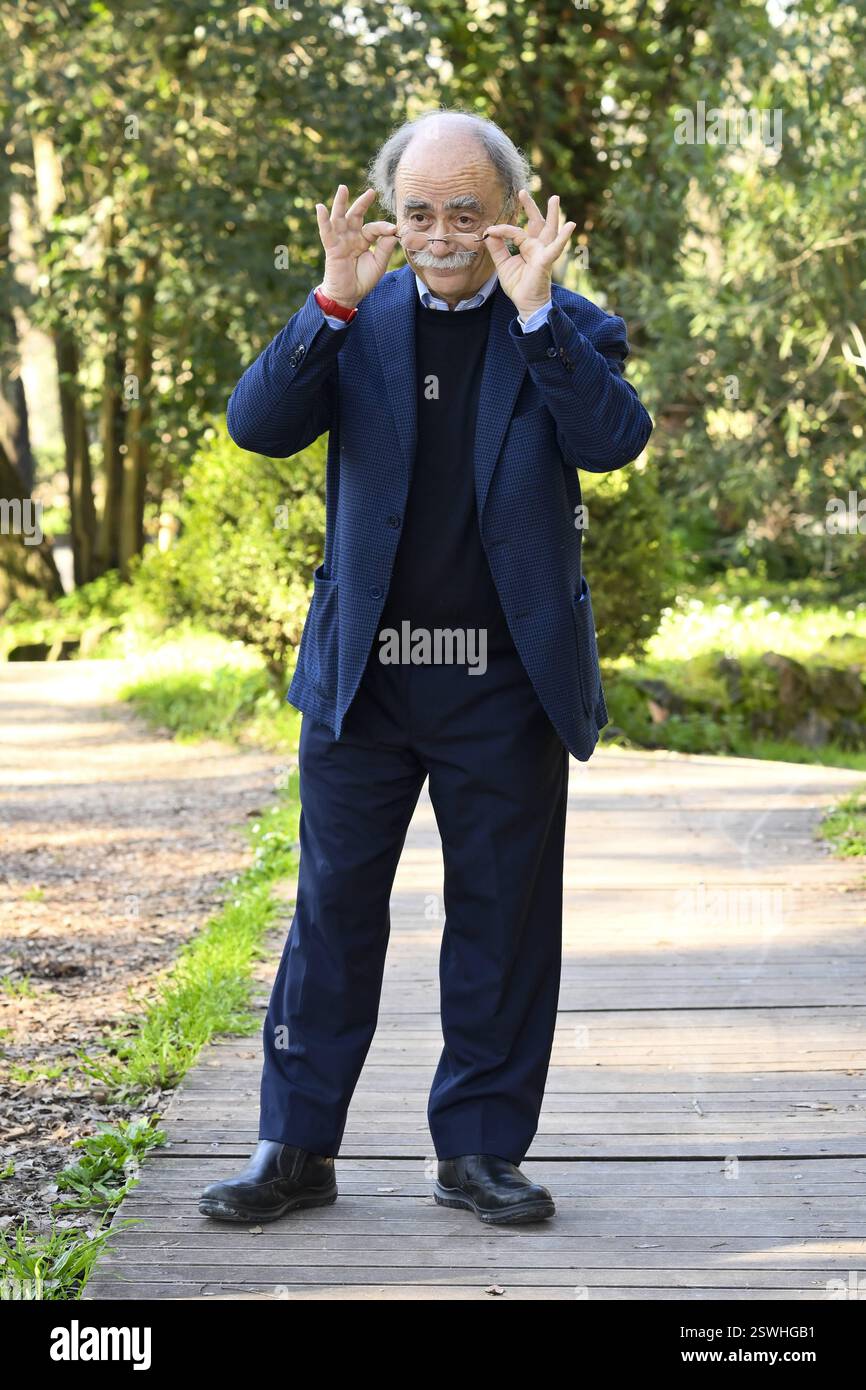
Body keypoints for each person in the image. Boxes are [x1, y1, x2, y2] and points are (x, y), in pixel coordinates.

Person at [199, 109, 653, 1227]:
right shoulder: (352, 313)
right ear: (391, 219)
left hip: (503, 681)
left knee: (501, 917)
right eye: (418, 211)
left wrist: (537, 313)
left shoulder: (569, 325)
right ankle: (293, 1148)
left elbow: (611, 441)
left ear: (510, 216)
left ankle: (479, 1150)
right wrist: (329, 300)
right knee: (331, 910)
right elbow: (256, 425)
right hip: (365, 676)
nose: (442, 232)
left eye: (466, 210)